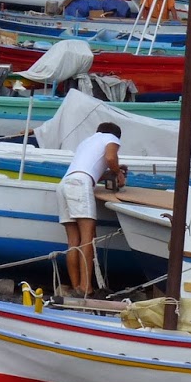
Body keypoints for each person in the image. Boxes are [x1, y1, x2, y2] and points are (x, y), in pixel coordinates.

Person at [57, 121, 125, 298]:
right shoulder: (111, 138)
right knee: (87, 239)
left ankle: (76, 287)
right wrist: (118, 172)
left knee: (73, 240)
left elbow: (91, 170)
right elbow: (111, 158)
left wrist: (112, 172)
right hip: (80, 184)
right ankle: (86, 287)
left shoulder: (86, 142)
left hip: (64, 184)